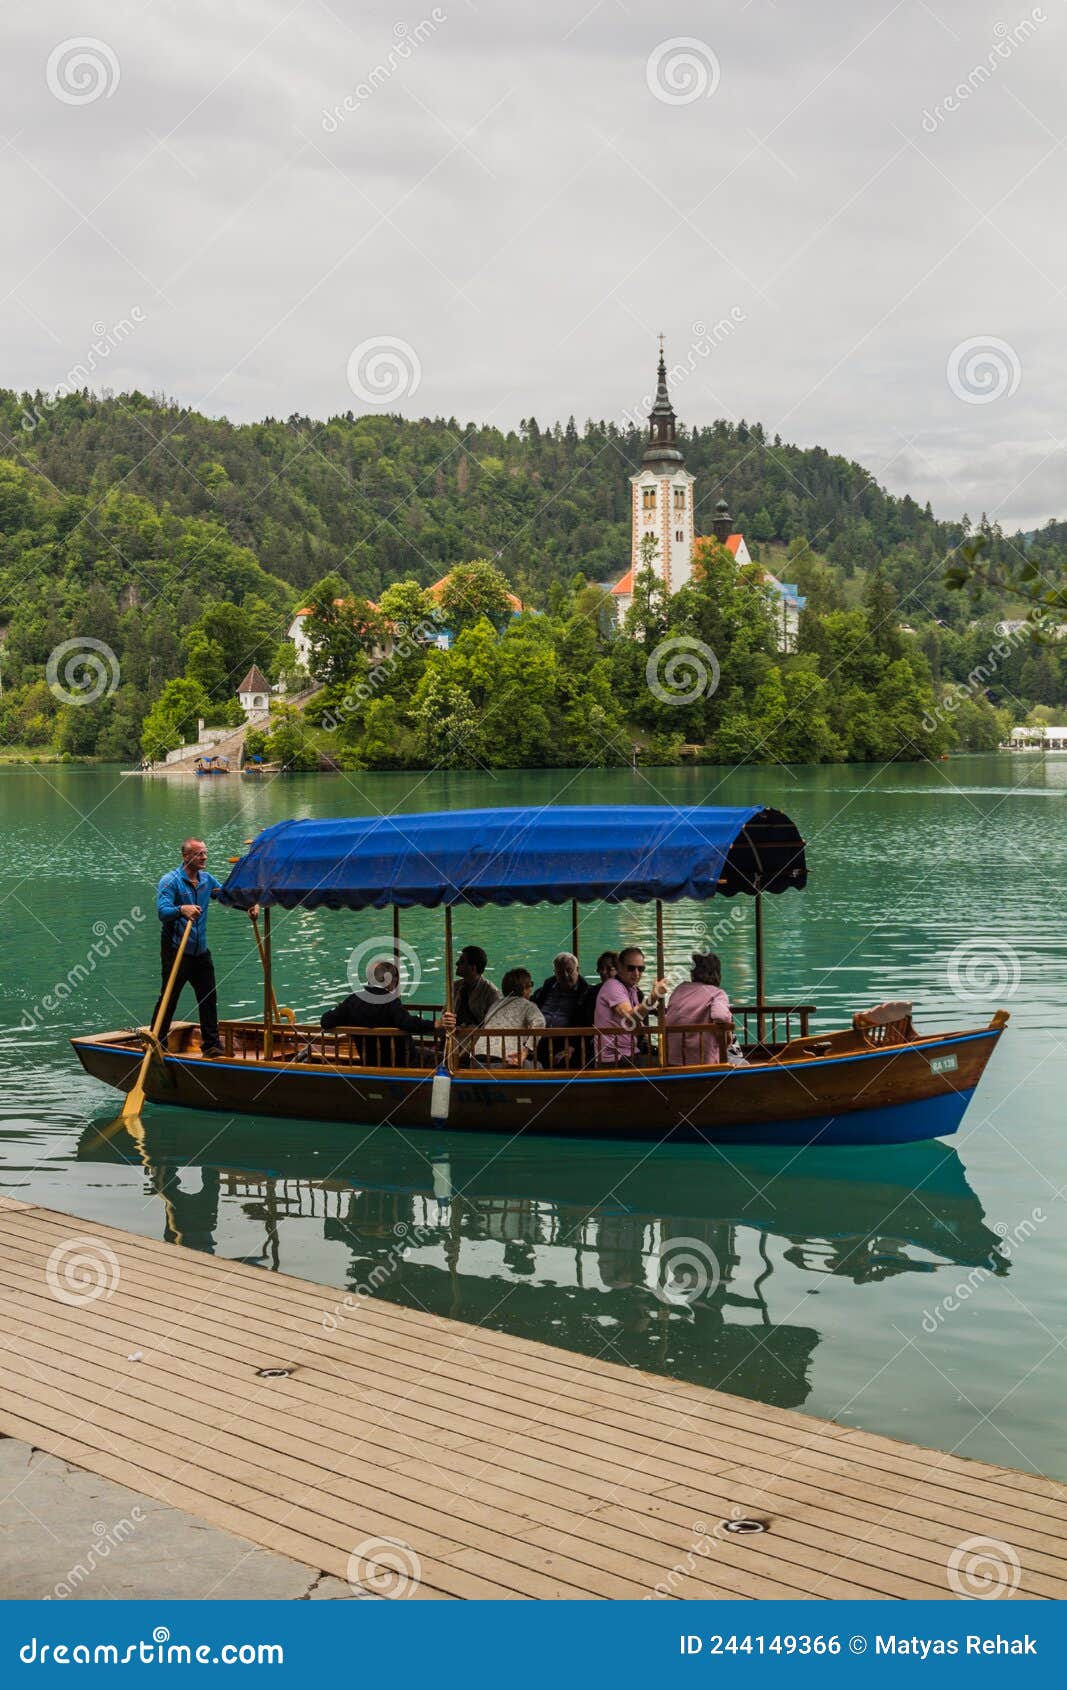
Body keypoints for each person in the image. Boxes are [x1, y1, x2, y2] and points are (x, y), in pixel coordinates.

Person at [154, 837, 259, 1057]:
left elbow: (226, 897)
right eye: (199, 853)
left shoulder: (206, 880)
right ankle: (157, 1042)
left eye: (205, 853)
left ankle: (211, 1045)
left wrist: (248, 906)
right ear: (185, 857)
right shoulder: (170, 881)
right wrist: (182, 909)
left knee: (208, 996)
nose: (204, 857)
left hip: (200, 951)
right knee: (169, 997)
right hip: (176, 950)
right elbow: (163, 912)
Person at [321, 958, 454, 1065]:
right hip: (401, 1061)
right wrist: (435, 1024)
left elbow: (326, 1020)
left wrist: (349, 1019)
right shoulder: (390, 1000)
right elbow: (406, 1023)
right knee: (443, 1058)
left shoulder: (353, 1000)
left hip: (369, 1061)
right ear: (392, 980)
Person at [594, 945, 667, 1066]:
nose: (636, 973)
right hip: (615, 1059)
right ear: (619, 967)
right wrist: (653, 997)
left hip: (629, 1053)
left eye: (641, 969)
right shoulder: (612, 986)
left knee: (665, 1056)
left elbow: (638, 1022)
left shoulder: (631, 989)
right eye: (631, 968)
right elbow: (630, 1017)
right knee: (666, 1063)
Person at [665, 952, 732, 1065]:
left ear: (694, 973)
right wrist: (728, 1032)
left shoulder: (679, 989)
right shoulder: (717, 994)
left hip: (673, 1060)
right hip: (702, 1062)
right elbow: (720, 1016)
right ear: (716, 973)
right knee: (742, 1063)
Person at [474, 968, 546, 1066]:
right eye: (531, 985)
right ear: (525, 988)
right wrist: (526, 1051)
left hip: (477, 1060)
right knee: (538, 1066)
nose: (531, 989)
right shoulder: (528, 1005)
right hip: (505, 1060)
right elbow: (540, 1023)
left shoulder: (495, 1004)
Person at [453, 945, 500, 1026]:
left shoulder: (491, 992)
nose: (456, 963)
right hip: (454, 1035)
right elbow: (445, 1012)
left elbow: (496, 1023)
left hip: (480, 1037)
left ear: (473, 968)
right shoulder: (455, 986)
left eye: (462, 961)